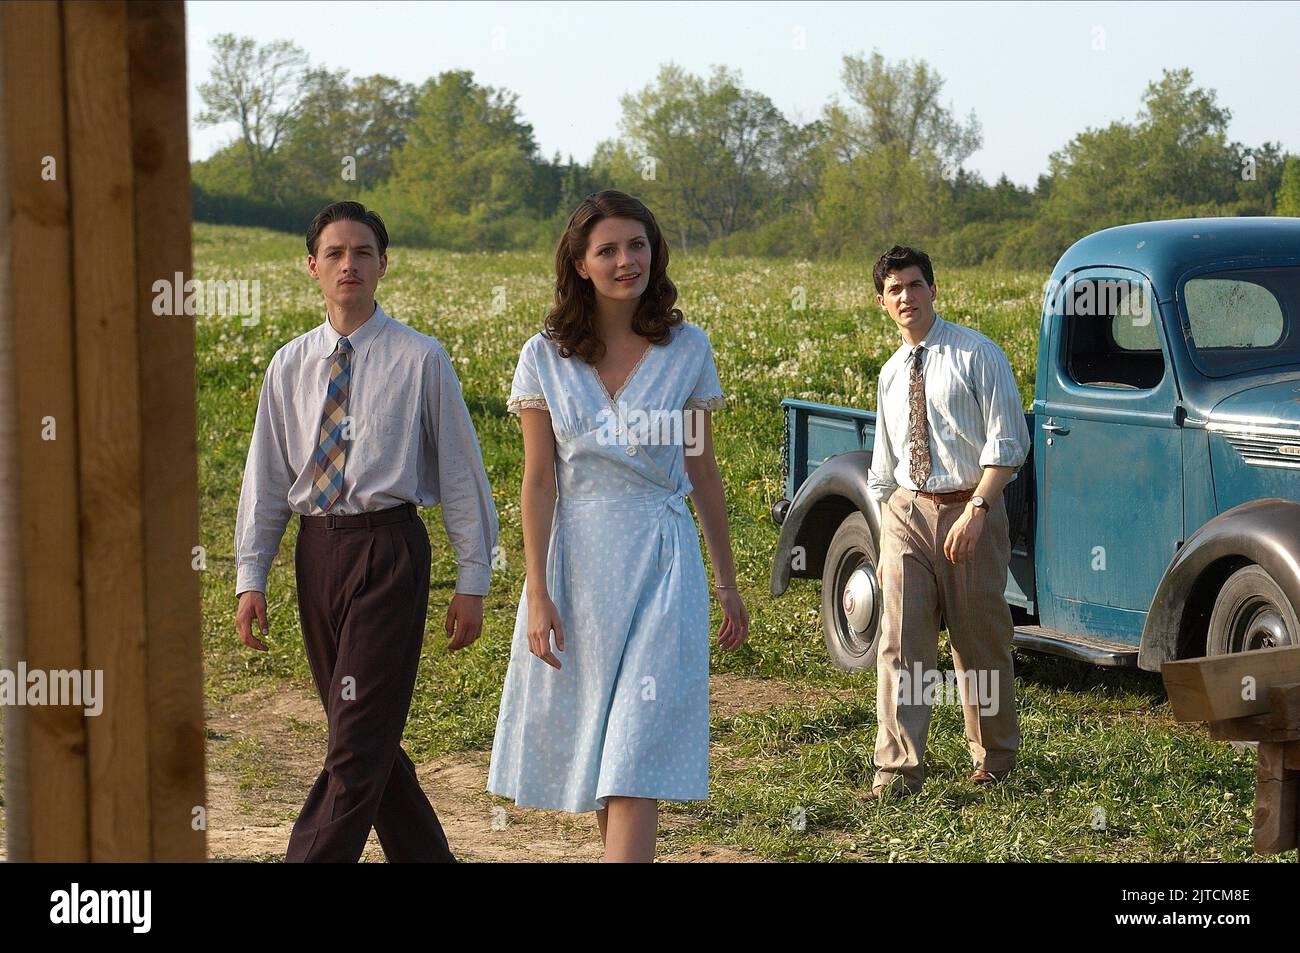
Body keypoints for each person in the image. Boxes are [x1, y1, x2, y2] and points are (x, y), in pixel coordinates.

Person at [487, 190, 749, 862]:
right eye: (607, 250)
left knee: (636, 750)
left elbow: (703, 470)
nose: (626, 260)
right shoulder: (543, 357)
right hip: (578, 569)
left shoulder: (688, 348)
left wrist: (727, 583)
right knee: (605, 748)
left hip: (663, 562)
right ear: (580, 263)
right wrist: (537, 591)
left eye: (638, 245)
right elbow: (539, 481)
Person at [233, 200, 499, 861]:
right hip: (317, 551)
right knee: (362, 732)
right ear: (312, 266)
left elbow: (461, 473)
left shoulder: (421, 358)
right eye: (334, 253)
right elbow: (266, 478)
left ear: (384, 264)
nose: (348, 264)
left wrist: (473, 580)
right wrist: (250, 575)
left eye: (362, 252)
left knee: (355, 740)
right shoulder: (289, 365)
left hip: (389, 549)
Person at [865, 244, 1030, 799]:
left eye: (915, 285)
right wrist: (884, 545)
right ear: (883, 302)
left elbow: (1009, 443)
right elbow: (883, 471)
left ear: (933, 290)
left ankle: (994, 760)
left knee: (978, 640)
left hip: (971, 505)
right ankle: (897, 770)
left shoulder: (978, 354)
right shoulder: (891, 374)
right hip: (906, 511)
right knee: (900, 644)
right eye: (894, 290)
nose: (906, 297)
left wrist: (979, 509)